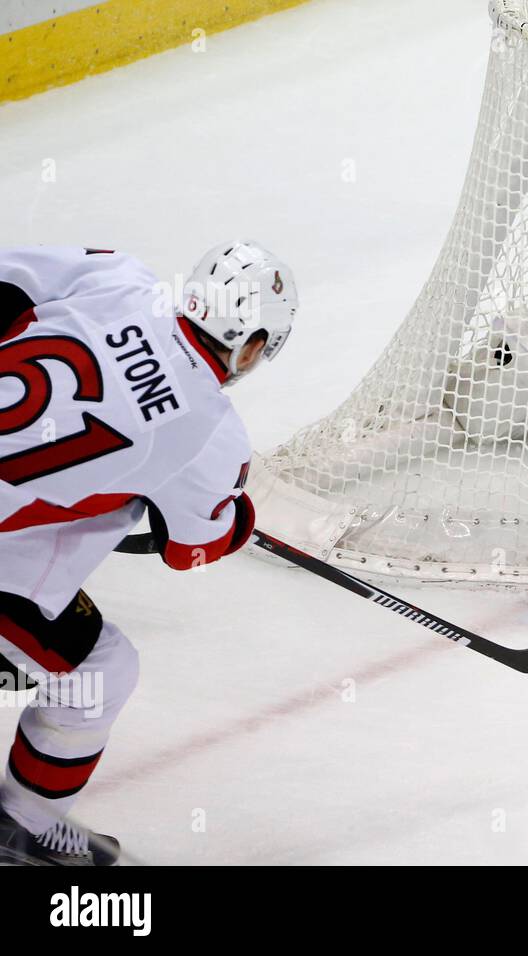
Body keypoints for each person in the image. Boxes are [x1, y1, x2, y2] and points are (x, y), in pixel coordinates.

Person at [0, 241, 297, 864]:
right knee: (99, 673)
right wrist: (235, 520)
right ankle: (19, 830)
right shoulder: (212, 436)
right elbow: (189, 550)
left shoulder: (117, 276)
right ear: (252, 347)